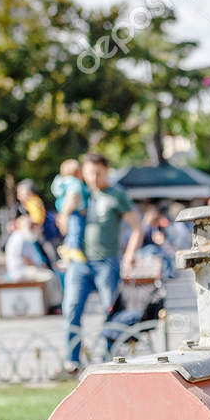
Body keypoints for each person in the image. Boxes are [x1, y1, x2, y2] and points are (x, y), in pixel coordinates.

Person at [63, 153, 141, 373]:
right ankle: (72, 360)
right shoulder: (79, 193)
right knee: (71, 309)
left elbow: (137, 227)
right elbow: (62, 226)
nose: (94, 178)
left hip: (107, 262)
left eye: (98, 173)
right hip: (79, 263)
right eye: (89, 173)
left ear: (106, 170)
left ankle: (109, 356)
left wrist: (130, 254)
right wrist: (67, 209)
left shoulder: (116, 194)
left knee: (110, 311)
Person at [51, 159, 89, 264]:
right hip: (75, 213)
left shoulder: (63, 182)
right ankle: (74, 249)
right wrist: (65, 215)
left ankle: (67, 247)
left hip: (69, 213)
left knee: (71, 233)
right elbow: (72, 198)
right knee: (76, 231)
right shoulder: (75, 183)